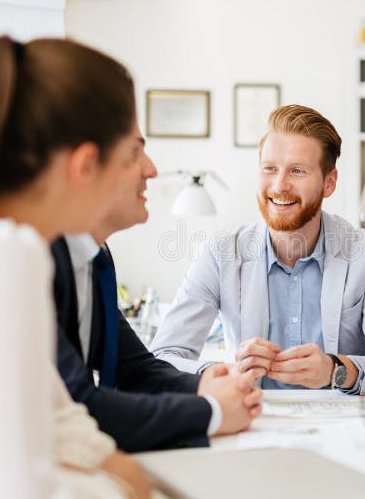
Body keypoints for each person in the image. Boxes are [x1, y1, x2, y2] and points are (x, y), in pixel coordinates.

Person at [0, 36, 153, 497]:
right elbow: (12, 490)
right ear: (85, 165)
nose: (144, 173)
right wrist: (122, 489)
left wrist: (112, 463)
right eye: (128, 157)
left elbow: (54, 408)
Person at [151, 105, 365, 393]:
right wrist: (224, 373)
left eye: (298, 171)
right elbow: (162, 360)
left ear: (329, 183)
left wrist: (334, 370)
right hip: (251, 422)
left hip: (340, 427)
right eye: (270, 169)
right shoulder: (221, 254)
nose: (279, 185)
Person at [52, 136, 261, 452]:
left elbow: (136, 370)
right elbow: (76, 405)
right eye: (135, 153)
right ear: (87, 166)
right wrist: (212, 411)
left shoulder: (95, 258)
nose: (152, 170)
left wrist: (204, 385)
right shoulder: (37, 259)